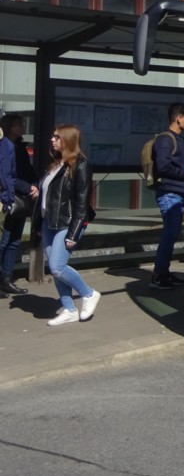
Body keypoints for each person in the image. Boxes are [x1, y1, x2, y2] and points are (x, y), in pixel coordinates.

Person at [35, 124, 99, 326]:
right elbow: (48, 195)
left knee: (57, 267)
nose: (52, 140)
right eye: (52, 136)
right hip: (49, 221)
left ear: (68, 140)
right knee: (54, 268)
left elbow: (82, 202)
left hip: (67, 223)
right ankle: (69, 309)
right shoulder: (56, 163)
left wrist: (74, 232)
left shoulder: (81, 164)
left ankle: (88, 294)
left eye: (56, 137)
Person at [150, 103, 184, 290]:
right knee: (169, 235)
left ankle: (164, 273)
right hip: (169, 193)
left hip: (176, 193)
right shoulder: (165, 140)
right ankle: (158, 275)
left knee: (171, 235)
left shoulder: (176, 139)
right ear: (179, 118)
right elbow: (163, 166)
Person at [0, 113, 38, 296]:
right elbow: (7, 176)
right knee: (4, 241)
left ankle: (6, 279)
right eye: (18, 124)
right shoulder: (5, 145)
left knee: (14, 241)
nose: (22, 126)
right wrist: (28, 187)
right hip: (9, 200)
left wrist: (35, 186)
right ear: (9, 126)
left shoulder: (20, 147)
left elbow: (28, 171)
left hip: (22, 200)